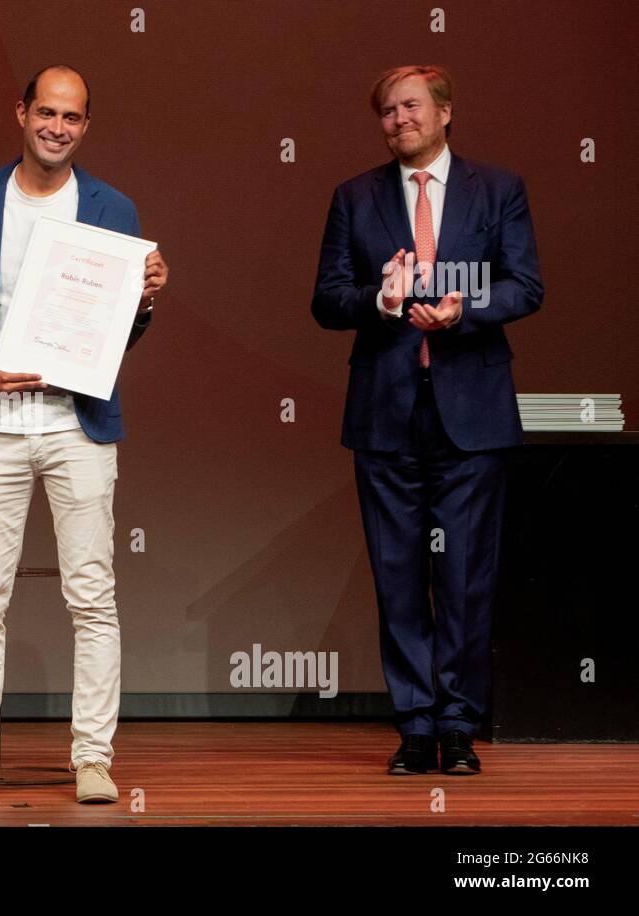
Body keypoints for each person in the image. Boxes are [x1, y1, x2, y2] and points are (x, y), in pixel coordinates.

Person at [0, 65, 167, 803]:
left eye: (73, 117)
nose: (57, 127)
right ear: (20, 114)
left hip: (77, 424)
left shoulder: (112, 208)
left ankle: (92, 758)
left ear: (85, 126)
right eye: (46, 112)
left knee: (92, 595)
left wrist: (146, 299)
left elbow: (118, 329)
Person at [311, 66, 543, 775]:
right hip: (386, 412)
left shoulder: (497, 189)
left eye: (411, 105)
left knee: (466, 575)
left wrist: (462, 312)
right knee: (399, 575)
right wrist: (380, 306)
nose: (397, 118)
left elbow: (525, 284)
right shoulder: (354, 197)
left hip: (471, 413)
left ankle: (458, 726)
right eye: (386, 110)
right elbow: (326, 300)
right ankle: (414, 725)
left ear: (445, 111)